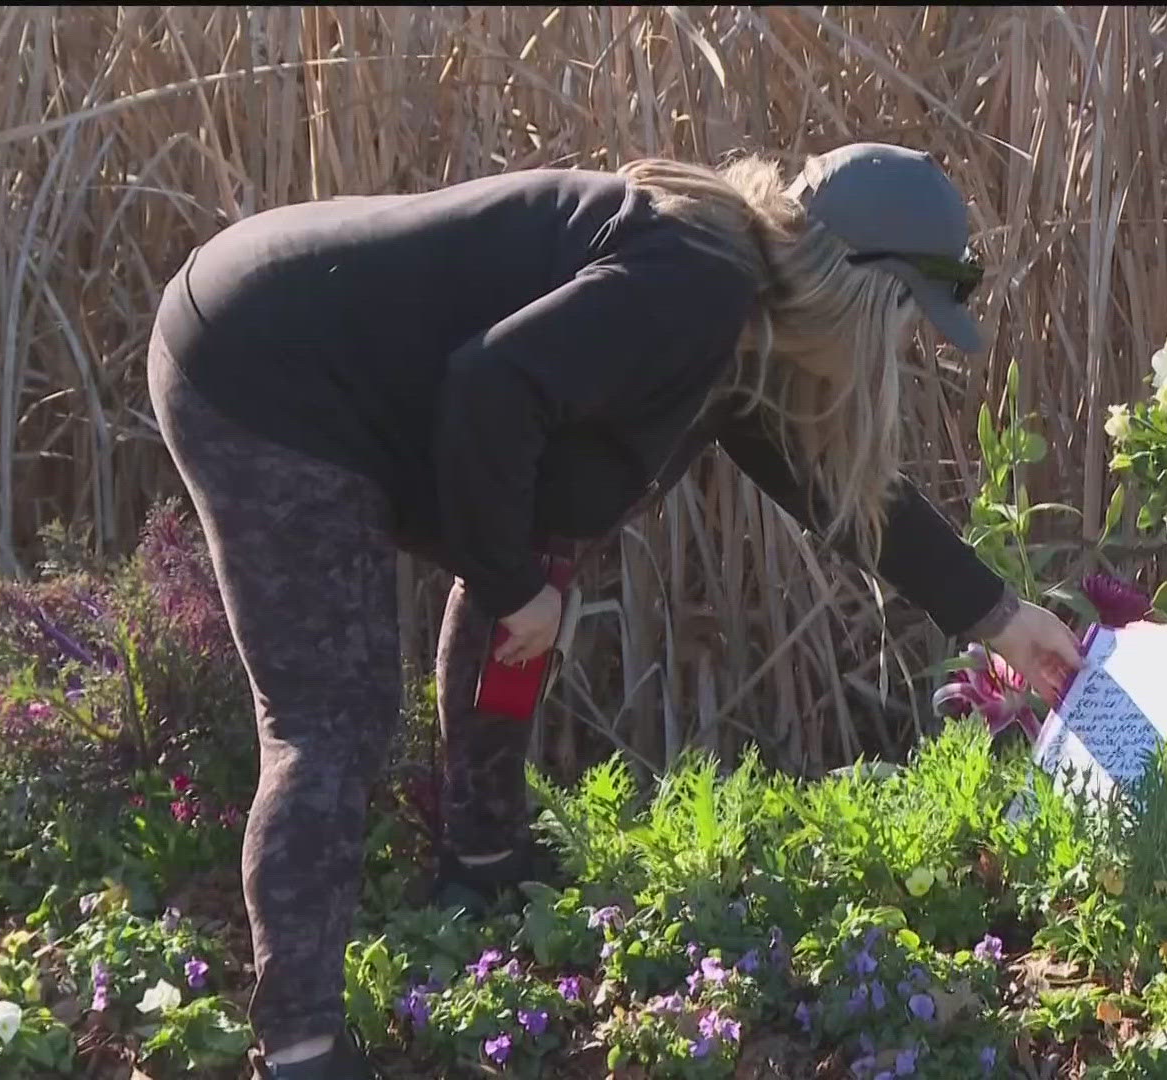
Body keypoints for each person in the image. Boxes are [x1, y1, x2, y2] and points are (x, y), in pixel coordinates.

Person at [146, 142, 1084, 1079]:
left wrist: (1002, 618)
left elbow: (840, 490)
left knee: (525, 584)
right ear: (860, 290)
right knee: (333, 717)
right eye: (909, 321)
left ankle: (482, 866)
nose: (903, 349)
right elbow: (488, 385)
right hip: (265, 359)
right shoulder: (693, 285)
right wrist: (515, 584)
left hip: (319, 347)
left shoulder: (748, 321)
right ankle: (302, 1046)